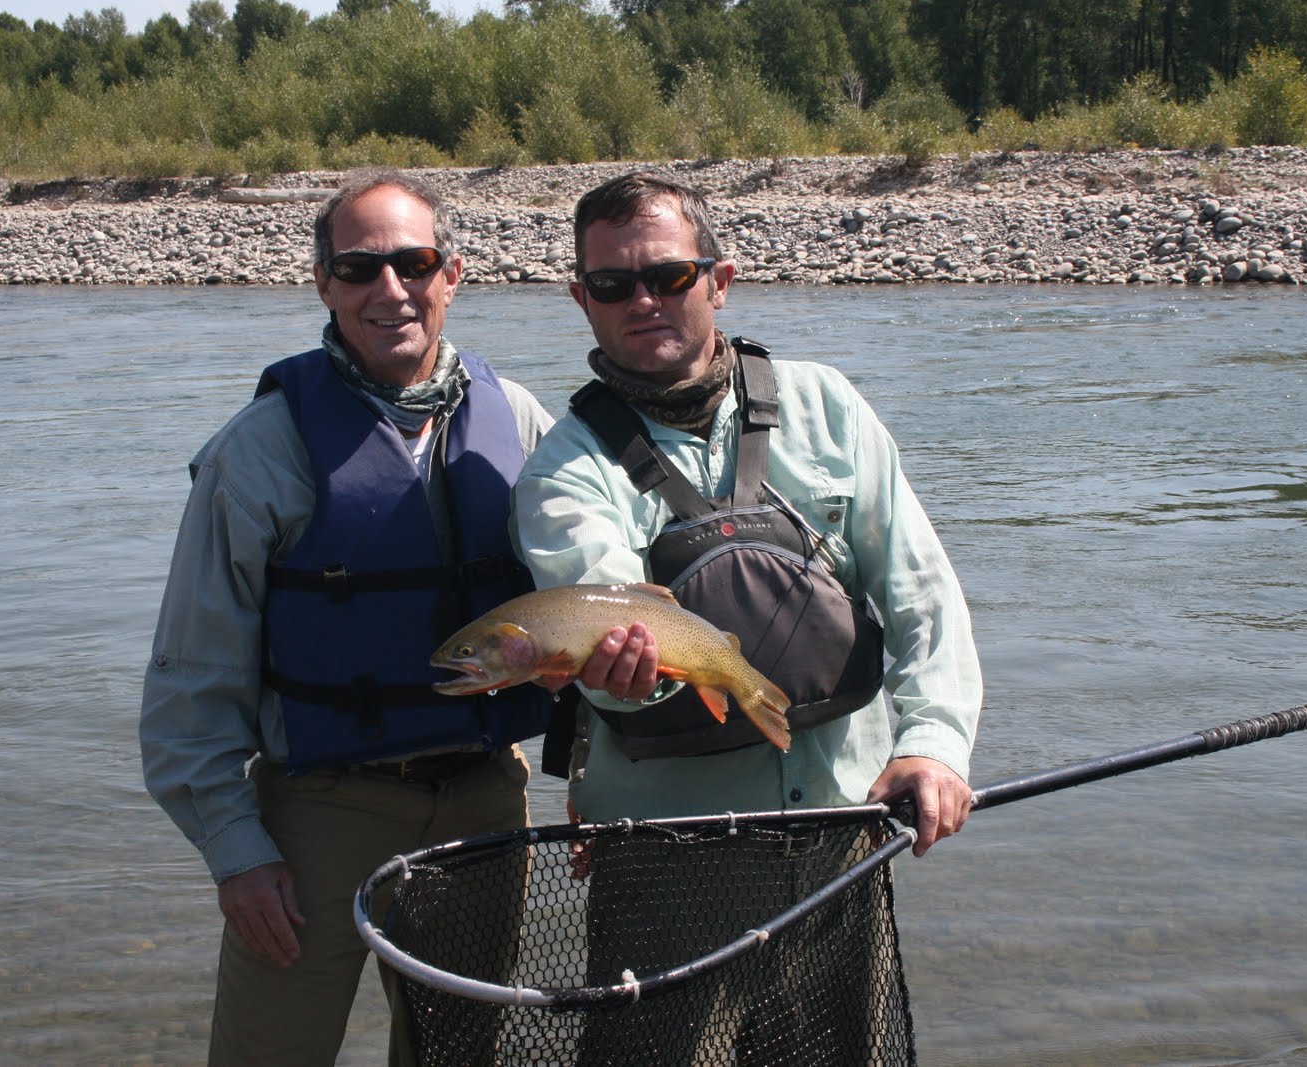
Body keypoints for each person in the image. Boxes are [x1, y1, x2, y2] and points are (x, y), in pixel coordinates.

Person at [510, 172, 982, 1063]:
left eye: (669, 277)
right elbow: (596, 594)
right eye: (612, 284)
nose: (642, 300)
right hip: (662, 865)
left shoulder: (828, 406)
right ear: (581, 298)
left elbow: (922, 593)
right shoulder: (563, 473)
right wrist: (626, 675)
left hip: (841, 839)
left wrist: (935, 744)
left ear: (719, 281)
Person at [140, 169, 562, 1066]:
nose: (390, 290)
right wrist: (236, 852)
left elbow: (587, 613)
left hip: (485, 805)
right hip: (315, 816)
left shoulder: (521, 421)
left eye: (414, 262)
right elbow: (191, 681)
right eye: (360, 268)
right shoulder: (257, 451)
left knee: (459, 1056)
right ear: (323, 283)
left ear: (454, 272)